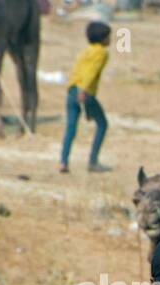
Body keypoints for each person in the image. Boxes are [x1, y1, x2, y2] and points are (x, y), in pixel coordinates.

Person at [59, 21, 112, 174]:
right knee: (102, 124)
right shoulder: (102, 52)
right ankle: (93, 161)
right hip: (85, 92)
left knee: (70, 127)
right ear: (103, 38)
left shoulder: (85, 51)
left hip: (72, 90)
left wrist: (75, 90)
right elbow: (91, 72)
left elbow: (77, 70)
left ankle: (63, 161)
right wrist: (84, 91)